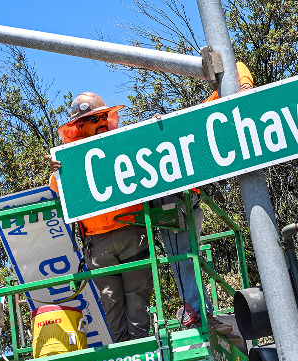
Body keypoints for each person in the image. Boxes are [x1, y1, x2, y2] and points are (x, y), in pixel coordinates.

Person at [46, 92, 152, 343]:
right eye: (96, 118)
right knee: (112, 306)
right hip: (98, 244)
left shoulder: (123, 144)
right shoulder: (67, 159)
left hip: (131, 232)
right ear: (79, 127)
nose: (103, 122)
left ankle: (142, 356)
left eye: (105, 116)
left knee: (139, 300)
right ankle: (126, 360)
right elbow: (57, 188)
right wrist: (56, 170)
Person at [155, 62, 255, 328]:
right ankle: (198, 311)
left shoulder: (228, 114)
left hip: (192, 200)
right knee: (184, 256)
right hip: (171, 199)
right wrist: (243, 86)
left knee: (189, 255)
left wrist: (245, 86)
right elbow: (235, 66)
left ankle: (201, 310)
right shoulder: (211, 109)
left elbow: (237, 67)